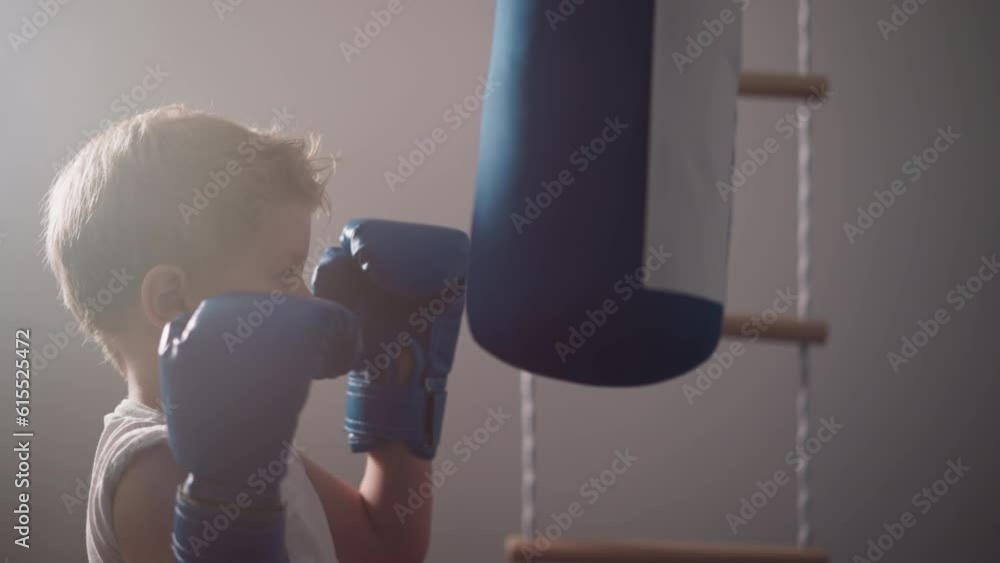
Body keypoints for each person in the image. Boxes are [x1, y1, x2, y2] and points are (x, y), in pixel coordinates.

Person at [43, 104, 464, 563]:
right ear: (171, 300)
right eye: (284, 273)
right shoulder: (156, 467)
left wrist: (398, 376)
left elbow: (382, 550)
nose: (309, 297)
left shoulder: (242, 441)